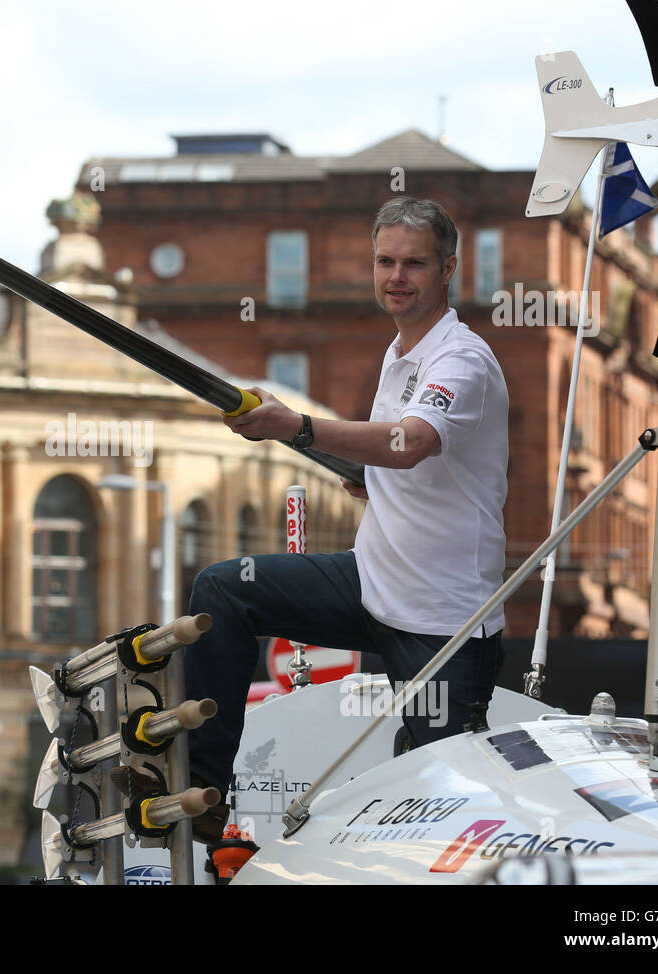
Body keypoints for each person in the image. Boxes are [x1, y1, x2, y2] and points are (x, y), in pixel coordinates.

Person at [180, 196, 509, 842]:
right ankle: (205, 792)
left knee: (442, 815)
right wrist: (367, 476)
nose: (396, 277)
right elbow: (399, 457)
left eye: (413, 264)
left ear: (447, 270)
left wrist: (295, 425)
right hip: (373, 584)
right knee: (222, 588)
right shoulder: (398, 355)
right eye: (385, 261)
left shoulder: (460, 359)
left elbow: (408, 443)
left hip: (446, 623)